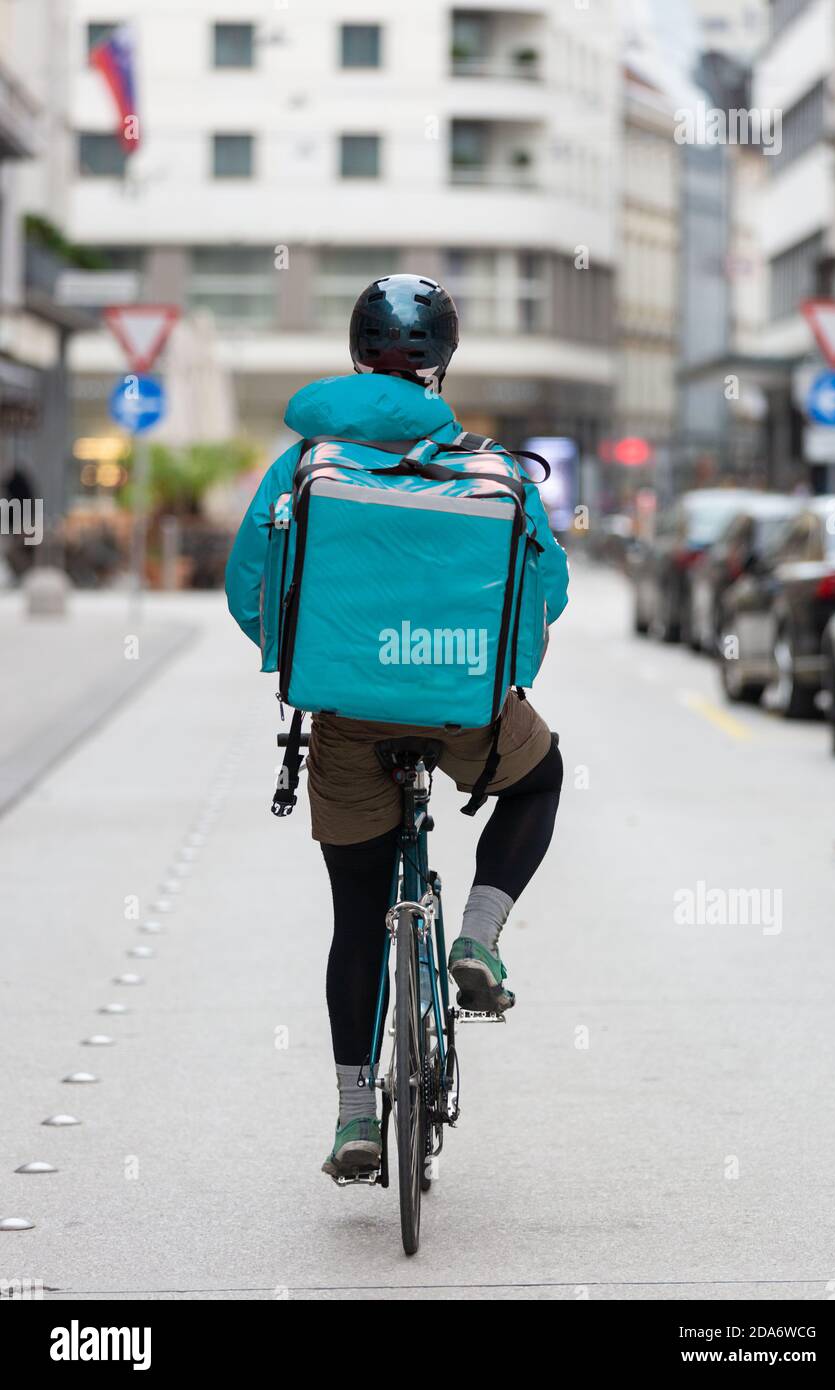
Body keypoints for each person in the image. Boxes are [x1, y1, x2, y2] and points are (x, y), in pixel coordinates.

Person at [225, 275, 569, 1177]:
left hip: (345, 719)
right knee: (542, 777)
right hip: (468, 712)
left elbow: (247, 590)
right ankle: (477, 939)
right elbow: (549, 591)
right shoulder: (490, 465)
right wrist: (502, 677)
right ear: (443, 360)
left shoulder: (306, 465)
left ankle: (353, 1121)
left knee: (356, 917)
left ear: (354, 351)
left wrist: (306, 662)